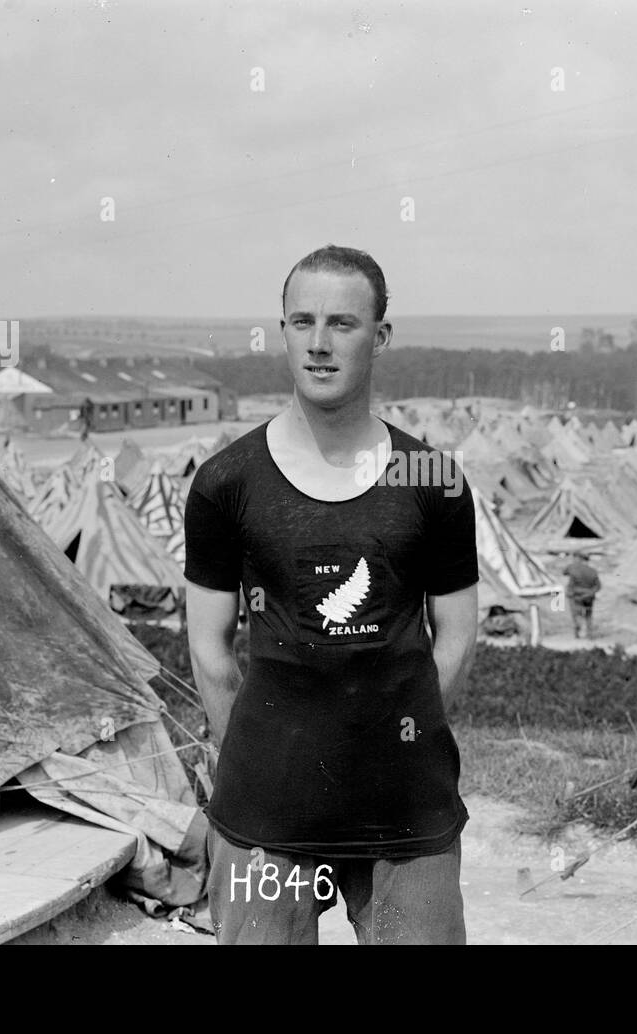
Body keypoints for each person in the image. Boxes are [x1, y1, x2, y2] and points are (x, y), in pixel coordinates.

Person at [183, 244, 479, 945]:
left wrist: (404, 735)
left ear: (379, 337)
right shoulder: (226, 483)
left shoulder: (434, 481)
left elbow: (459, 636)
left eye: (342, 324)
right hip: (266, 808)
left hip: (407, 808)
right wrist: (252, 756)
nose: (318, 344)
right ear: (281, 330)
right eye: (301, 321)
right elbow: (208, 646)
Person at [563, 551, 601, 639]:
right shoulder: (593, 571)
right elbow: (598, 586)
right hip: (589, 596)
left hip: (575, 596)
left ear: (578, 558)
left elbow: (564, 572)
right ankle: (589, 634)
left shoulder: (572, 567)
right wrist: (590, 593)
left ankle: (577, 632)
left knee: (576, 615)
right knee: (588, 615)